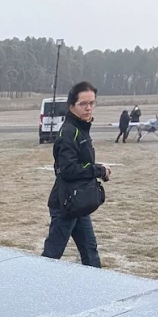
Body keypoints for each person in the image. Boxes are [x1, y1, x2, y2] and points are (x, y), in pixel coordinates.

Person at [43, 82, 109, 268]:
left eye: (92, 103)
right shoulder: (69, 132)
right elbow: (68, 169)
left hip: (80, 202)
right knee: (52, 255)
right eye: (83, 104)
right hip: (66, 204)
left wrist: (97, 168)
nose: (88, 108)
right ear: (71, 106)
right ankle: (34, 286)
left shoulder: (81, 129)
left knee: (90, 252)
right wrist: (98, 170)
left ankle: (94, 290)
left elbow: (79, 164)